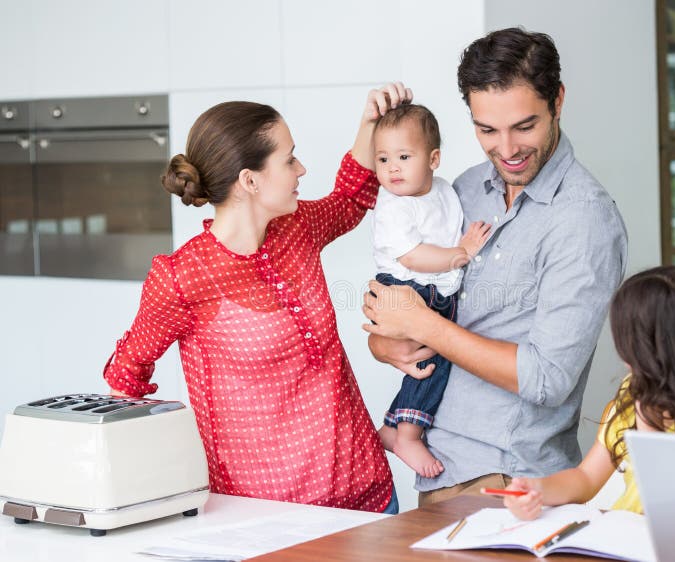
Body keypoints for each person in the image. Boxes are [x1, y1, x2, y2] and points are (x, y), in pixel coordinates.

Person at [103, 83, 415, 514]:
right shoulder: (181, 278)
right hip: (263, 519)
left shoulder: (297, 227)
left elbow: (349, 200)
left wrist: (369, 123)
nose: (301, 169)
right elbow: (127, 377)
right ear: (249, 180)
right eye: (289, 159)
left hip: (369, 497)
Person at [362, 28, 628, 505]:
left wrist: (422, 323)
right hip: (440, 471)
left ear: (558, 101)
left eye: (524, 126)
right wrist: (385, 341)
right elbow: (410, 307)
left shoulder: (585, 219)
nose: (506, 148)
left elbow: (547, 379)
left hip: (511, 482)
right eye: (487, 130)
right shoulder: (461, 190)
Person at [503, 265, 675, 519]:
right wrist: (538, 489)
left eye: (628, 342)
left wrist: (650, 434)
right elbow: (585, 479)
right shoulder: (633, 393)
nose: (623, 355)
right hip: (623, 540)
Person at [370, 104, 491, 479]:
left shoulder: (443, 190)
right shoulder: (394, 206)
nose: (392, 168)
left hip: (433, 289)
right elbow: (414, 255)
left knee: (433, 363)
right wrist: (462, 253)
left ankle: (396, 428)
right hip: (407, 287)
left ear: (433, 158)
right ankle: (407, 432)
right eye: (383, 158)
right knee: (432, 362)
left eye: (404, 157)